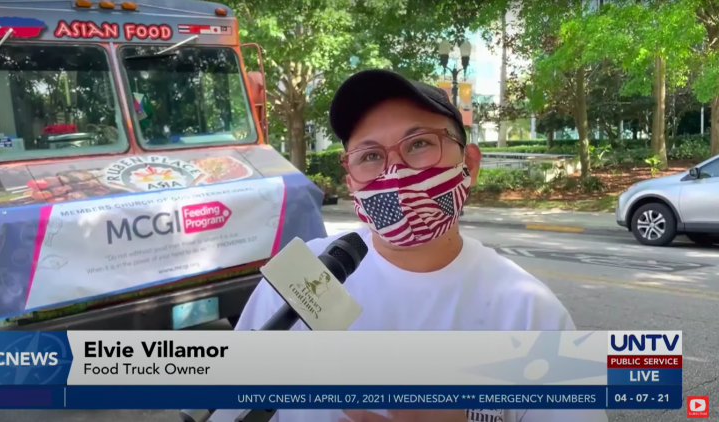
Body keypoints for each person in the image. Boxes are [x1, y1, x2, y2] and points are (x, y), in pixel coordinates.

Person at [219, 70, 609, 422]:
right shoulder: (304, 274)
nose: (395, 173)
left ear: (469, 164)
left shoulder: (529, 312)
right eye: (370, 156)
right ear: (351, 179)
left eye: (420, 144)